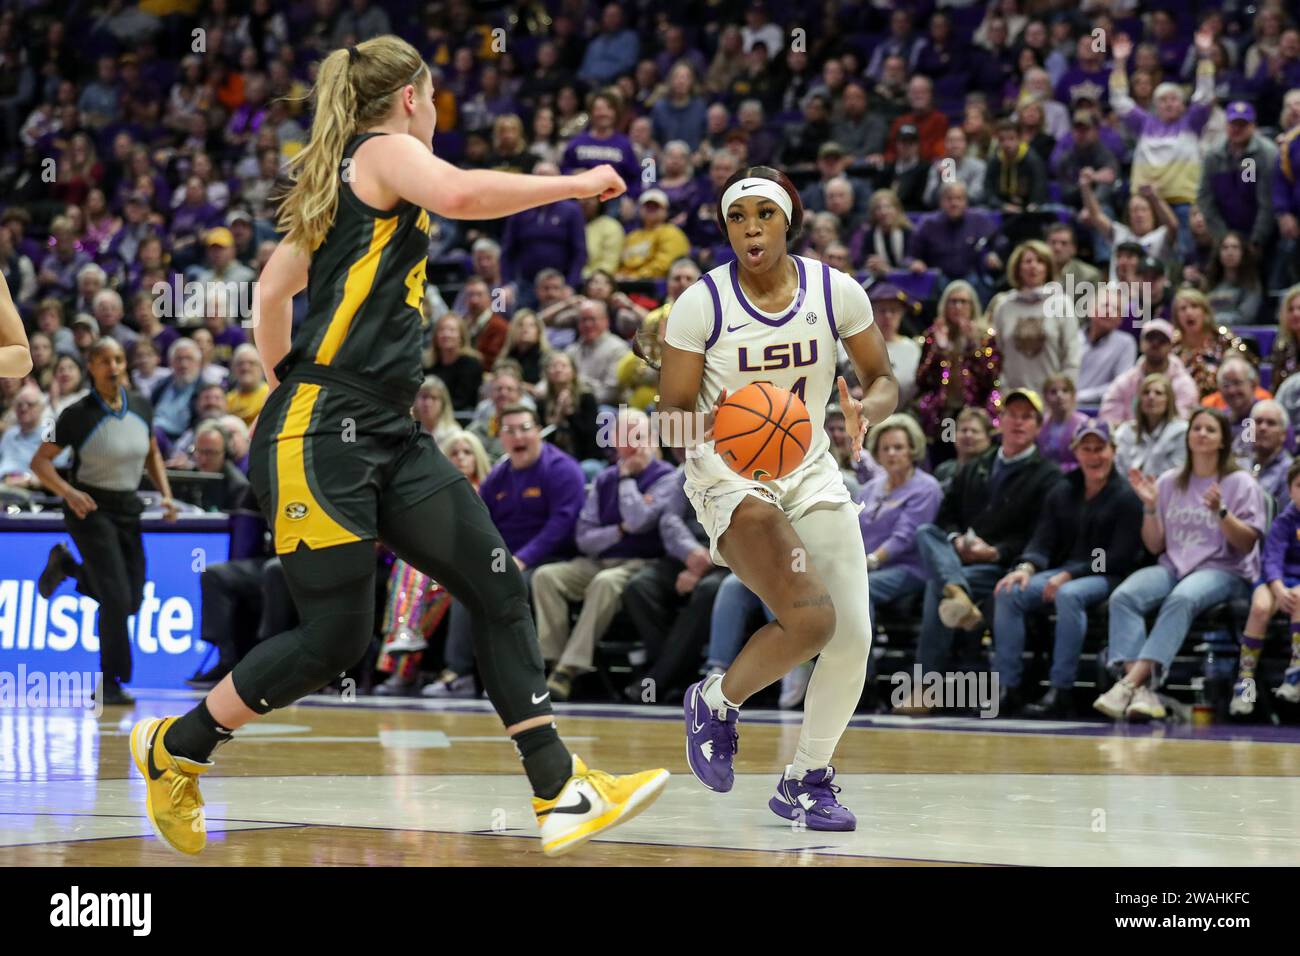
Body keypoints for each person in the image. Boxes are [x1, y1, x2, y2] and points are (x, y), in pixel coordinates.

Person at [125, 37, 667, 860]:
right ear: (411, 97)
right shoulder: (382, 153)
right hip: (324, 431)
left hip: (388, 427)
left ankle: (560, 790)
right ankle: (173, 750)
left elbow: (271, 293)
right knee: (336, 638)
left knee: (497, 583)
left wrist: (282, 372)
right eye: (436, 96)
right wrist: (576, 182)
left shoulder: (342, 185)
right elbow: (462, 193)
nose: (440, 111)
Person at [658, 164, 898, 830]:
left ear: (787, 219)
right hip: (728, 472)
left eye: (763, 213)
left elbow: (882, 377)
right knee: (810, 621)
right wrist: (725, 422)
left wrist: (867, 410)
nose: (750, 228)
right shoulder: (701, 304)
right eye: (738, 217)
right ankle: (717, 699)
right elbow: (669, 417)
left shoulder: (835, 291)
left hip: (811, 466)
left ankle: (806, 777)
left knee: (850, 637)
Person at [32, 338, 178, 706]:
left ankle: (66, 565)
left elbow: (153, 453)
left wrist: (166, 494)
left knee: (131, 601)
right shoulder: (74, 413)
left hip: (128, 508)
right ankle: (110, 683)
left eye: (118, 360)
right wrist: (69, 493)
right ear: (91, 367)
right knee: (114, 598)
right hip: (89, 509)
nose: (113, 367)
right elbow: (40, 463)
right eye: (104, 361)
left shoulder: (142, 405)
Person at [1098, 409, 1266, 722]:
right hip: (1174, 565)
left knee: (1182, 599)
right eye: (1196, 428)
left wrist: (1221, 513)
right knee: (1124, 596)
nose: (1201, 434)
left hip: (1225, 569)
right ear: (1187, 436)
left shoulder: (1240, 482)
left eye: (1210, 430)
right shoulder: (1169, 481)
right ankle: (1144, 692)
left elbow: (1247, 543)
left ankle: (1128, 683)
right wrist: (1149, 508)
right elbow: (1155, 545)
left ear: (1222, 441)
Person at [909, 389, 1060, 707]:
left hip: (1003, 566)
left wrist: (996, 551)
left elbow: (1042, 535)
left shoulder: (1048, 476)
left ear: (1038, 426)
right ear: (1000, 421)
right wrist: (958, 541)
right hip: (962, 558)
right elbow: (945, 518)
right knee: (926, 532)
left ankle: (927, 685)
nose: (1018, 422)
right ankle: (958, 591)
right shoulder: (976, 465)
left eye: (1027, 417)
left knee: (937, 589)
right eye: (1012, 415)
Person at [992, 420, 1144, 717]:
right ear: (1076, 453)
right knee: (1009, 591)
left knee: (1069, 595)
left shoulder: (1126, 496)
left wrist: (1070, 574)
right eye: (1086, 449)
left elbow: (1120, 557)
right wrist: (1026, 567)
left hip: (1107, 576)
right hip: (1061, 572)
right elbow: (1043, 539)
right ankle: (1008, 687)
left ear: (1113, 451)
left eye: (1099, 448)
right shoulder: (1063, 489)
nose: (1093, 456)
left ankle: (1061, 689)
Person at [531, 409, 675, 700]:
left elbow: (639, 521)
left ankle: (568, 669)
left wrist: (626, 483)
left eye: (639, 436)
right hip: (597, 560)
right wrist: (618, 531)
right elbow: (584, 537)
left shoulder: (667, 477)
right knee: (546, 576)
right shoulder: (603, 479)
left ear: (651, 438)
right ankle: (553, 661)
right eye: (625, 437)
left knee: (605, 583)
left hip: (641, 563)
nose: (632, 444)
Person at [373, 430, 493, 696]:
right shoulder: (429, 490)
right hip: (435, 571)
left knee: (413, 571)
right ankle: (406, 643)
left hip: (473, 564)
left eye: (467, 452)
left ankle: (404, 668)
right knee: (412, 569)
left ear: (478, 457)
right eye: (454, 453)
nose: (461, 458)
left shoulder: (489, 488)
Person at [1231, 458, 1300, 716]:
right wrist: (1278, 587)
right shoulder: (1284, 521)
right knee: (1259, 608)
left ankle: (1295, 676)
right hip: (1275, 580)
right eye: (1299, 485)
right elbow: (1271, 559)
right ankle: (1244, 686)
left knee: (1299, 599)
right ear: (1290, 489)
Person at [858, 414, 942, 626]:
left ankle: (861, 660)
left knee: (857, 590)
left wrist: (871, 561)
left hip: (908, 569)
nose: (891, 453)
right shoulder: (869, 489)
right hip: (864, 566)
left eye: (898, 447)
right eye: (885, 448)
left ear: (912, 450)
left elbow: (905, 537)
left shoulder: (926, 488)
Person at [914, 281, 1000, 453]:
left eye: (963, 302)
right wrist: (939, 350)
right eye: (953, 301)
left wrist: (974, 348)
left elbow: (991, 378)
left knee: (973, 456)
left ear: (972, 306)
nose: (958, 306)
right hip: (944, 412)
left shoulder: (985, 336)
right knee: (945, 453)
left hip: (975, 411)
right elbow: (922, 379)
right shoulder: (933, 335)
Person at [986, 240, 1078, 391]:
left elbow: (1071, 354)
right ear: (1017, 268)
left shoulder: (1061, 303)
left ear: (1047, 268)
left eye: (1040, 261)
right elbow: (997, 354)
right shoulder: (1004, 306)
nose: (1033, 266)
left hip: (1052, 397)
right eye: (1027, 261)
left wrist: (1065, 390)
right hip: (1013, 398)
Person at [1099, 319, 1200, 426]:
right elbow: (1109, 419)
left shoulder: (1184, 384)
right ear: (1141, 343)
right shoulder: (1125, 381)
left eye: (1162, 340)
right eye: (1150, 339)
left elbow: (1183, 423)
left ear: (1171, 346)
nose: (1155, 344)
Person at [1113, 373, 1189, 480]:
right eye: (1146, 392)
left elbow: (1176, 473)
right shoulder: (1125, 431)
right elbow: (1117, 469)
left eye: (1158, 393)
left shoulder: (1181, 431)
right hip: (1126, 492)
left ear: (1169, 400)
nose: (1151, 397)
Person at [1076, 287, 1136, 406]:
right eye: (1105, 306)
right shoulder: (1073, 337)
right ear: (1090, 310)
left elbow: (1121, 386)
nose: (1109, 312)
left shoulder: (1125, 343)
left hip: (1102, 409)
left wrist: (1079, 396)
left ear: (1120, 320)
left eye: (1116, 309)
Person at [1239, 400, 1292, 508]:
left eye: (1271, 423)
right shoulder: (1239, 464)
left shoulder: (1290, 471)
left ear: (1283, 434)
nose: (1263, 428)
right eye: (1258, 422)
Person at [1037, 373, 1089, 472]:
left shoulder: (1084, 423)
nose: (1059, 395)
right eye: (1053, 392)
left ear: (1073, 395)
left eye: (1065, 391)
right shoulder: (1040, 424)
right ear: (1045, 397)